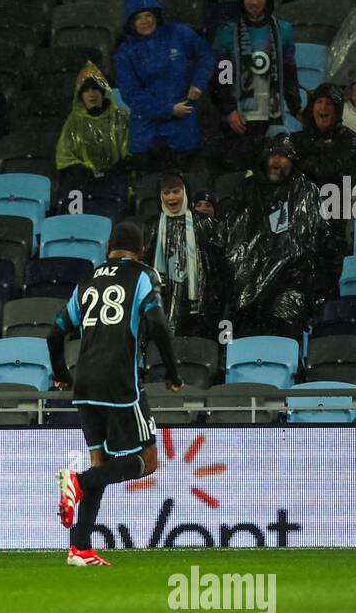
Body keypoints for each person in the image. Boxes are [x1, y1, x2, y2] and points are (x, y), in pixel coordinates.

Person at [46, 221, 183, 568]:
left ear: (109, 248)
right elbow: (157, 324)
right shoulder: (142, 275)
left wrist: (62, 374)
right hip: (120, 382)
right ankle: (77, 481)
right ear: (139, 250)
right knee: (148, 462)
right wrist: (172, 371)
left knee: (101, 462)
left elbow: (54, 333)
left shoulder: (88, 280)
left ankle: (79, 548)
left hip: (85, 382)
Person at [213, 134, 329, 339]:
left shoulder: (305, 191)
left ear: (293, 161)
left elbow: (307, 243)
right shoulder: (247, 189)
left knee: (280, 348)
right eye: (272, 155)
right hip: (248, 289)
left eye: (283, 156)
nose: (276, 160)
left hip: (288, 289)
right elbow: (232, 235)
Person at [113, 0, 216, 174]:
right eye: (138, 18)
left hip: (183, 127)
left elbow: (207, 55)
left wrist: (198, 84)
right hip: (146, 131)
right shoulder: (125, 52)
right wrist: (168, 110)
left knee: (186, 185)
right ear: (131, 22)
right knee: (150, 188)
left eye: (148, 15)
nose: (145, 21)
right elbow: (131, 94)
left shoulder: (179, 33)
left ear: (157, 16)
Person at [211, 0, 301, 174]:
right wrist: (229, 110)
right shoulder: (227, 32)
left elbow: (289, 71)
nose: (254, 2)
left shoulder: (283, 30)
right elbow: (221, 76)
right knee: (242, 171)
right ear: (242, 0)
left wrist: (296, 106)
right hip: (240, 117)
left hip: (271, 115)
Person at [148, 174, 221, 339]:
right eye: (166, 193)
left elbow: (216, 265)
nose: (171, 197)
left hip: (197, 303)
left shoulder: (204, 223)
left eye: (176, 191)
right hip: (163, 301)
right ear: (160, 196)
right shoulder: (152, 226)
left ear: (185, 192)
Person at [55, 60, 131, 201]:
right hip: (83, 184)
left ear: (103, 92)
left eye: (95, 89)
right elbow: (65, 156)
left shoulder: (120, 118)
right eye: (86, 90)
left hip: (116, 182)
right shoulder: (73, 122)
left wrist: (112, 171)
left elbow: (130, 152)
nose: (91, 94)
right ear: (80, 95)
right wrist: (86, 173)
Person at [291, 84, 356, 190]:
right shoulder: (297, 139)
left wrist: (302, 161)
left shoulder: (350, 139)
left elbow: (331, 171)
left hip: (336, 203)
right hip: (303, 203)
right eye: (319, 102)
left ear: (337, 110)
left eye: (329, 104)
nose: (323, 107)